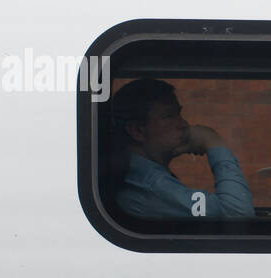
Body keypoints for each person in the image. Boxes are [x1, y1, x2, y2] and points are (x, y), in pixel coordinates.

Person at [108, 78, 255, 218]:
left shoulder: (139, 175)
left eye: (178, 114)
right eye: (169, 116)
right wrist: (212, 141)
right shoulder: (151, 185)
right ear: (138, 131)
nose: (184, 124)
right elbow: (237, 212)